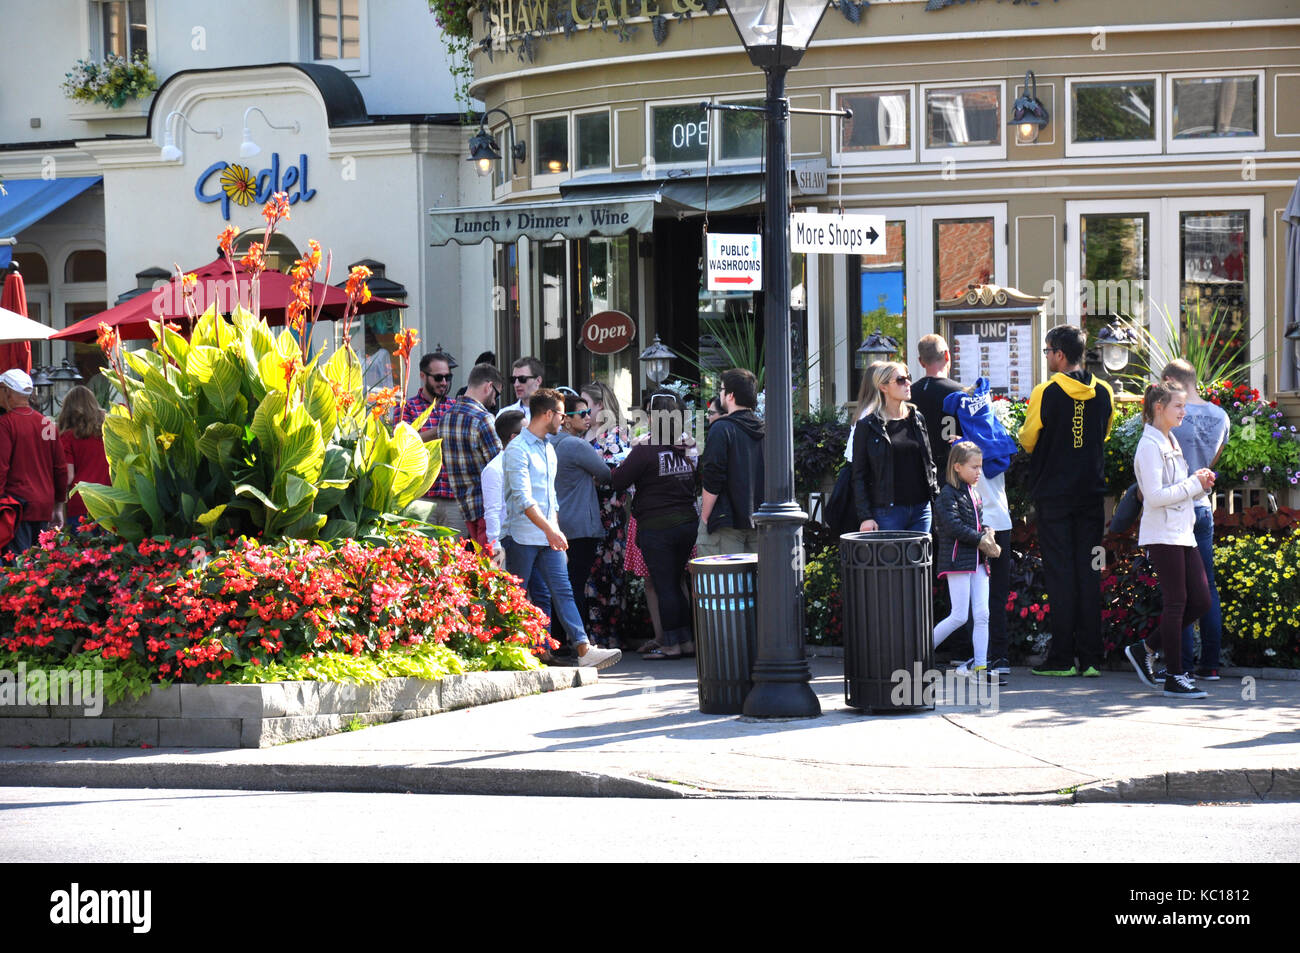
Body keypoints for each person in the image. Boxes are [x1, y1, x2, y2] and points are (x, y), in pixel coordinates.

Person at [1018, 325, 1115, 678]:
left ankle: (1060, 658)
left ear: (1059, 354)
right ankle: (1090, 658)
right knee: (1088, 573)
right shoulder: (1104, 390)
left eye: (1047, 351)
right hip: (1090, 495)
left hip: (1054, 496)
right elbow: (1104, 432)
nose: (1047, 357)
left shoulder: (1046, 391)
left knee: (1060, 575)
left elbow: (1028, 439)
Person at [502, 388, 621, 670]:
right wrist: (551, 530)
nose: (564, 419)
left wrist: (554, 529)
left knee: (563, 591)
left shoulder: (549, 448)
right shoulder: (517, 449)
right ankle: (508, 649)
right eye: (560, 413)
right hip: (520, 536)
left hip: (545, 534)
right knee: (516, 596)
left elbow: (550, 498)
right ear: (547, 414)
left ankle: (583, 649)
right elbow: (522, 499)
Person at [1124, 381, 1214, 699]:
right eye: (1178, 406)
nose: (1183, 411)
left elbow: (1178, 488)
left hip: (1181, 532)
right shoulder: (1149, 446)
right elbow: (1155, 495)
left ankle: (1146, 648)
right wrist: (1194, 483)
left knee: (1200, 601)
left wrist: (1201, 484)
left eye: (1184, 405)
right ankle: (1175, 677)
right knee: (1176, 602)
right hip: (1162, 534)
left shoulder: (1169, 439)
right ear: (1158, 408)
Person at [613, 391, 699, 659]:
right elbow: (700, 477)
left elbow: (618, 481)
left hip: (657, 525)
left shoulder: (646, 450)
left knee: (665, 585)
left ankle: (671, 645)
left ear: (653, 417)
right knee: (676, 581)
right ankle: (687, 642)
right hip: (687, 524)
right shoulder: (689, 447)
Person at [942, 377, 1019, 675]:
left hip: (977, 530)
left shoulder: (963, 451)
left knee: (978, 602)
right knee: (996, 597)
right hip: (1002, 523)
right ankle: (999, 660)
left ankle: (981, 658)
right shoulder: (998, 440)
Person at [1163, 359, 1229, 681]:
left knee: (1181, 591)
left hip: (1177, 506)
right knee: (1207, 586)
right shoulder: (1221, 416)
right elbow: (1213, 464)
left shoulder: (1173, 414)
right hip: (1203, 505)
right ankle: (1211, 664)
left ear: (1171, 380)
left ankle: (1183, 665)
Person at [932, 441, 1004, 685]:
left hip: (977, 562)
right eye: (974, 467)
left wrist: (986, 531)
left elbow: (971, 525)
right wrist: (982, 538)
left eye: (980, 467)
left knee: (982, 614)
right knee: (960, 616)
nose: (978, 472)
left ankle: (980, 667)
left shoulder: (973, 493)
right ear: (957, 467)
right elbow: (953, 527)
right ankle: (918, 653)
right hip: (959, 561)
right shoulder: (947, 494)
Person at [549, 392, 611, 655]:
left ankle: (559, 641)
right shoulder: (576, 445)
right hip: (580, 528)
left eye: (589, 413)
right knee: (575, 585)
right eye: (581, 414)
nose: (588, 418)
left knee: (560, 586)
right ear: (565, 420)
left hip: (558, 524)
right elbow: (606, 474)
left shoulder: (548, 444)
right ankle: (579, 643)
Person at [851, 361, 939, 533]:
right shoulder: (868, 426)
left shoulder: (917, 419)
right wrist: (865, 516)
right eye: (900, 380)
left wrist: (937, 502)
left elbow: (929, 465)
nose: (908, 383)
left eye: (908, 378)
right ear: (883, 387)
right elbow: (859, 475)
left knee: (920, 560)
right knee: (891, 560)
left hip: (921, 509)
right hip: (887, 512)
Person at [580, 379, 634, 646]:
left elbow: (617, 471)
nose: (582, 413)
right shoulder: (582, 433)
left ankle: (610, 633)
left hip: (608, 513)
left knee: (608, 573)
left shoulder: (616, 433)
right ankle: (590, 633)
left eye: (586, 406)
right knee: (589, 572)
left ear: (600, 405)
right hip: (583, 512)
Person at [697, 368, 765, 556]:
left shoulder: (722, 428)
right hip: (760, 521)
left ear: (730, 396)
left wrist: (705, 516)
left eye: (722, 389)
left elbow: (713, 476)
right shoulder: (765, 429)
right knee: (758, 583)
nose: (720, 393)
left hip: (725, 521)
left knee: (722, 583)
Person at [0, 369, 67, 552]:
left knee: (17, 569)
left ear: (7, 391)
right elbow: (60, 468)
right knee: (39, 568)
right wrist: (58, 506)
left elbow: (1, 468)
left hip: (16, 507)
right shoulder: (46, 422)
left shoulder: (5, 424)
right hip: (44, 504)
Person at [439, 363, 505, 548]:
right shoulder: (483, 419)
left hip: (465, 508)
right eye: (496, 395)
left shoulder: (446, 418)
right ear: (488, 386)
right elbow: (498, 467)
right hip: (489, 509)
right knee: (494, 570)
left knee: (480, 569)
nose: (494, 402)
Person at [399, 351, 462, 534]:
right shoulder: (407, 408)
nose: (444, 382)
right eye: (438, 377)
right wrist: (441, 430)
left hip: (452, 497)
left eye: (447, 377)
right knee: (422, 555)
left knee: (456, 556)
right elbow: (404, 444)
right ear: (423, 376)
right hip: (421, 498)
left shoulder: (456, 407)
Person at [910, 334, 965, 478]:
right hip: (953, 471)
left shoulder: (908, 394)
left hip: (918, 472)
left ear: (921, 362)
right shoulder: (961, 392)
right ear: (947, 355)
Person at [57, 385, 109, 529]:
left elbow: (68, 476)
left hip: (81, 501)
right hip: (108, 500)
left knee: (81, 549)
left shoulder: (67, 437)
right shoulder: (108, 433)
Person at [482, 410, 525, 564]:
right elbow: (492, 511)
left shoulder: (527, 463)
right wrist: (496, 547)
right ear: (514, 438)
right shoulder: (494, 469)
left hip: (530, 541)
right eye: (527, 433)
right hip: (508, 543)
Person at [497, 356, 543, 421]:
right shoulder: (504, 415)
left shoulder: (553, 414)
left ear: (538, 380)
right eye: (513, 379)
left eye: (522, 379)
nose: (516, 384)